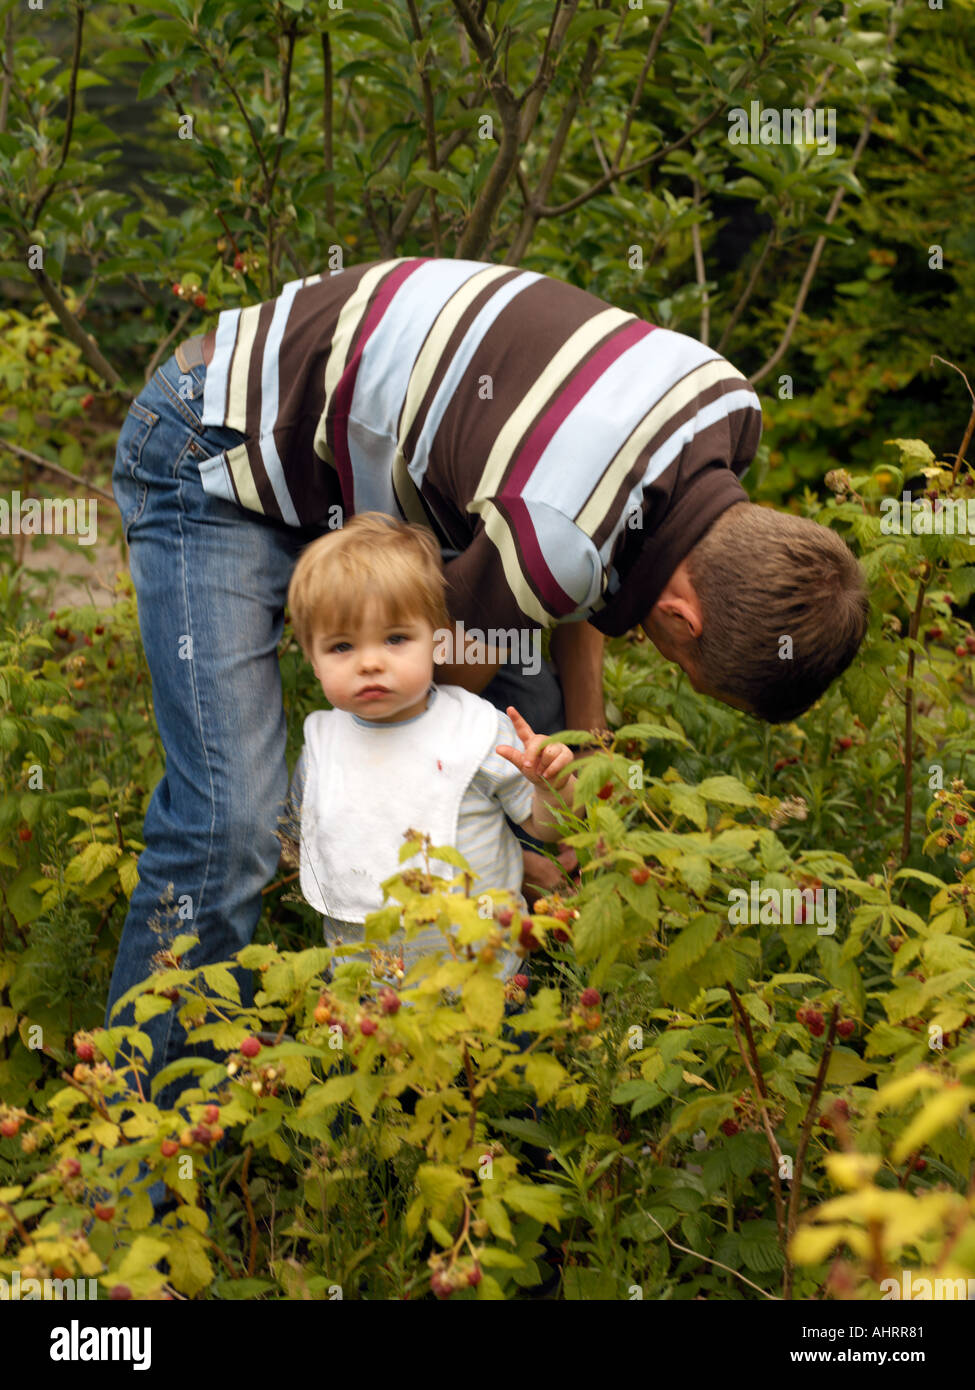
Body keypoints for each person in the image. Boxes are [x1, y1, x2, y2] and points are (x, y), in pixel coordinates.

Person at [106, 255, 869, 1101]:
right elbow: (448, 681)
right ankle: (143, 1137)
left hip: (356, 469)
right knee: (231, 822)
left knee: (534, 722)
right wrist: (509, 845)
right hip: (220, 442)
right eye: (691, 672)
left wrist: (585, 762)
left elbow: (601, 560)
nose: (671, 661)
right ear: (684, 621)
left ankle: (489, 1076)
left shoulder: (726, 408)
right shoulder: (555, 533)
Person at [280, 511, 577, 982]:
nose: (371, 663)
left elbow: (548, 829)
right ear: (312, 660)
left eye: (396, 639)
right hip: (368, 994)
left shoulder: (476, 729)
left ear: (439, 642)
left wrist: (550, 787)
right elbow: (298, 840)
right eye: (341, 647)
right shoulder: (321, 744)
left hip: (487, 979)